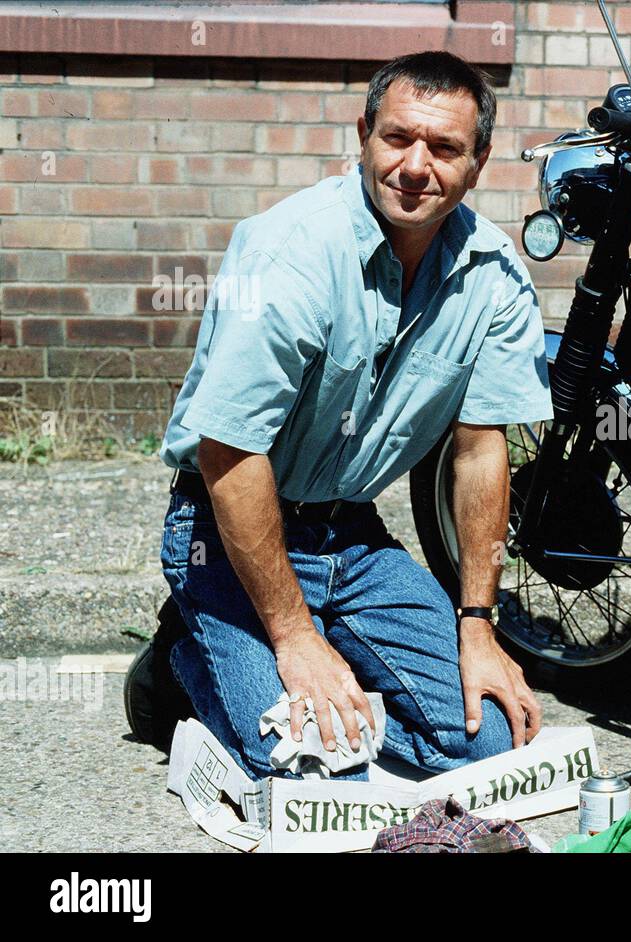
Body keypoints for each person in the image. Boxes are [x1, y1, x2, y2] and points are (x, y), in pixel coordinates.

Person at [140, 50, 550, 780]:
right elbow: (227, 452)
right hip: (224, 531)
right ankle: (179, 666)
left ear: (478, 162)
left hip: (353, 542)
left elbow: (479, 452)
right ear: (365, 133)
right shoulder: (290, 252)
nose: (416, 165)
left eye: (445, 147)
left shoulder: (495, 276)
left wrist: (478, 627)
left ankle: (326, 666)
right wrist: (294, 636)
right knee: (309, 764)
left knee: (493, 749)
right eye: (397, 138)